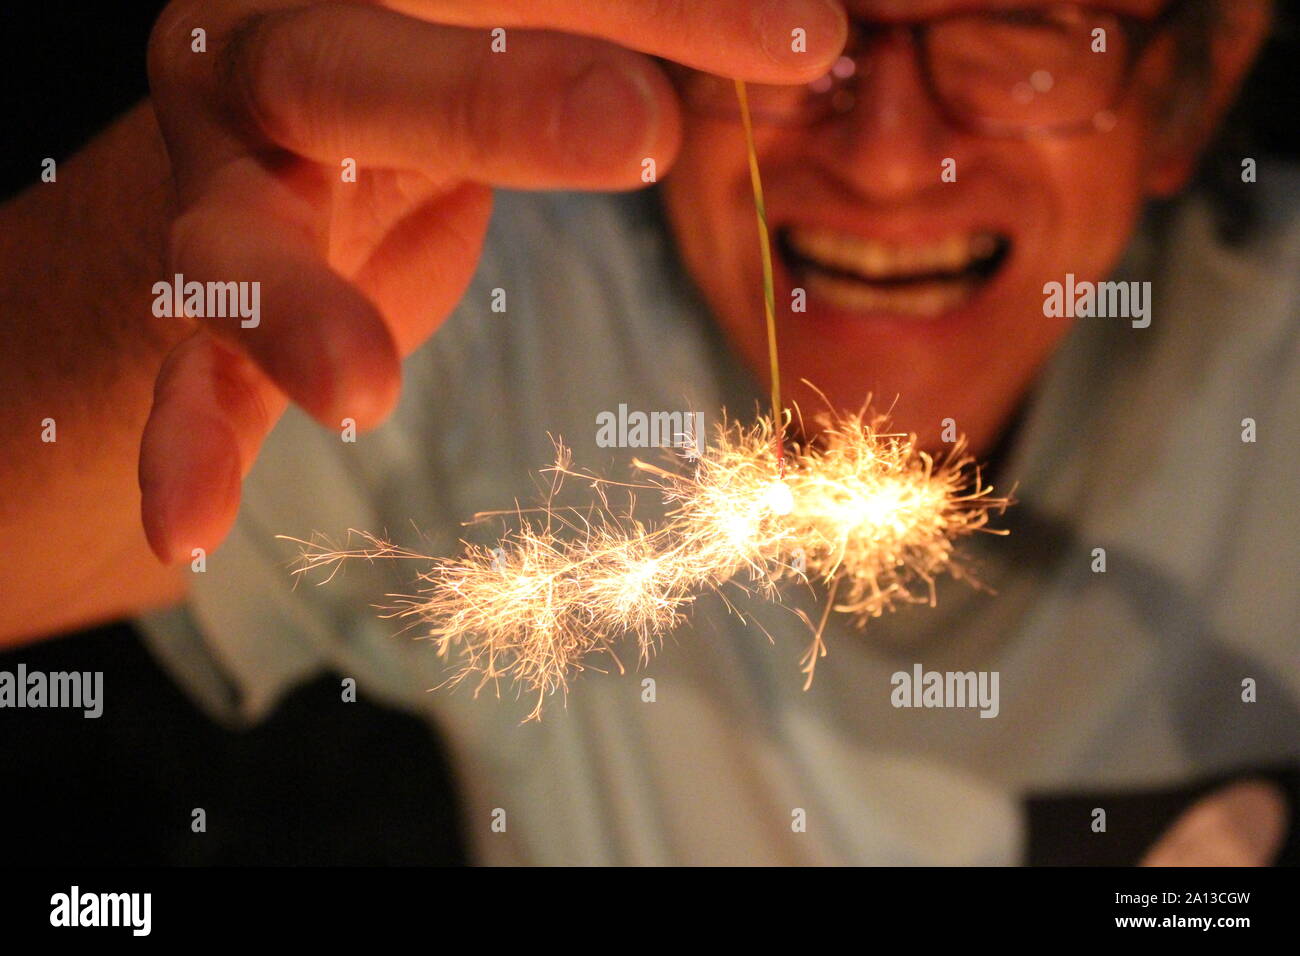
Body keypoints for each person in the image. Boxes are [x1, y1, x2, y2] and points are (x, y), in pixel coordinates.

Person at [1, 0, 1296, 865]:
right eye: (806, 29)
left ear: (1193, 84)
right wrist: (155, 234)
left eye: (1023, 25)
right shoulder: (467, 296)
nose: (891, 158)